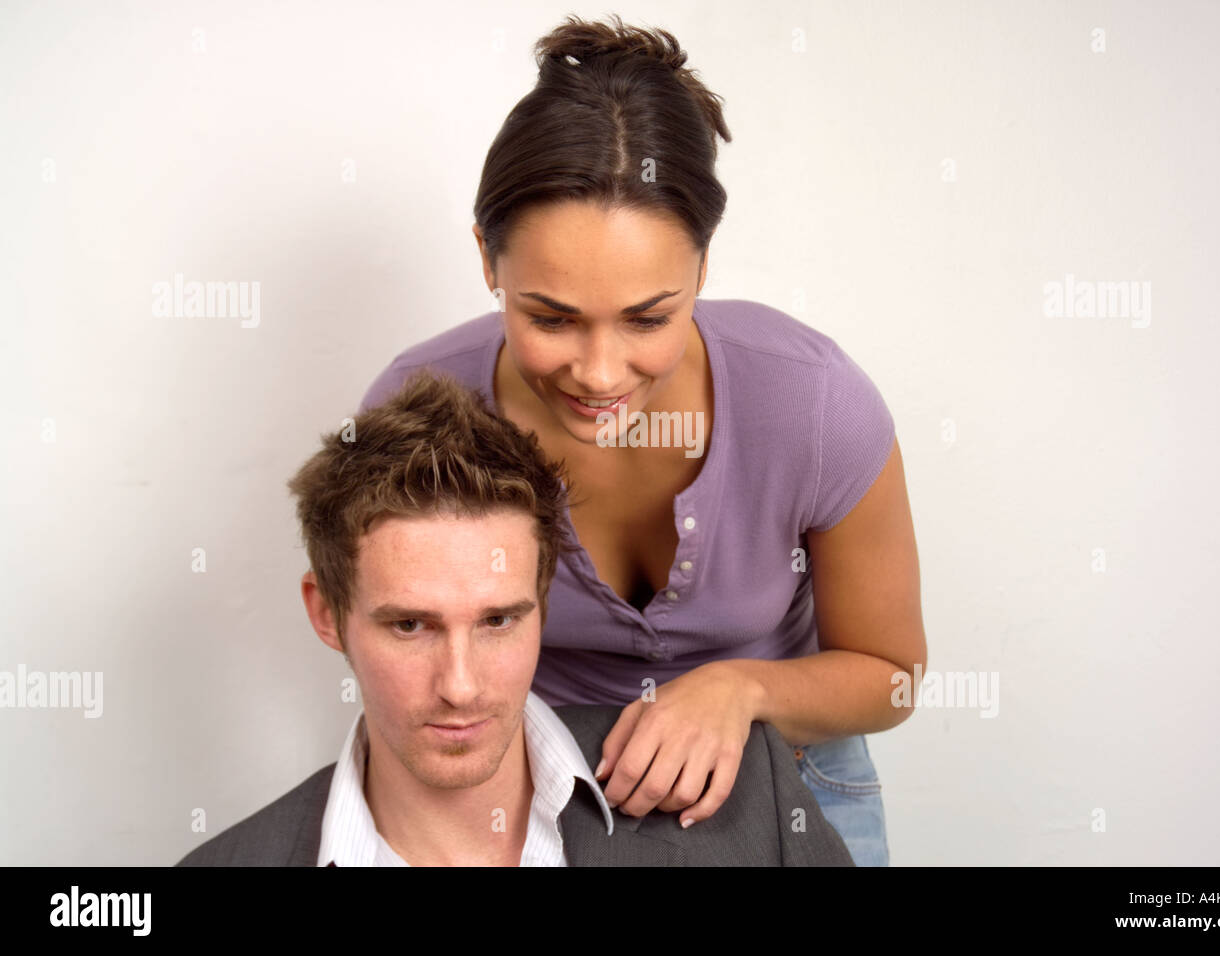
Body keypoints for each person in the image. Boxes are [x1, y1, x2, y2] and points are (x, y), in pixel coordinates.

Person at [358, 15, 927, 867]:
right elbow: (403, 644)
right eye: (551, 318)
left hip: (795, 767)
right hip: (537, 788)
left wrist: (739, 689)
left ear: (703, 265)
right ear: (487, 260)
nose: (598, 373)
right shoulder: (419, 409)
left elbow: (891, 674)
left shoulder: (812, 403)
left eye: (648, 318)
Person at [176, 370, 854, 866]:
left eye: (498, 621)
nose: (461, 686)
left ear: (544, 601)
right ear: (327, 614)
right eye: (410, 626)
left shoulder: (748, 796)